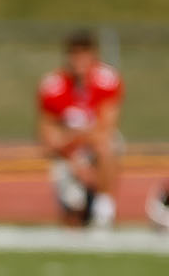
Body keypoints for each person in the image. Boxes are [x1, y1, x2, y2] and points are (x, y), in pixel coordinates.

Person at [37, 30, 122, 228]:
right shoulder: (53, 85)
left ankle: (104, 209)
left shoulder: (106, 80)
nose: (79, 60)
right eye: (75, 54)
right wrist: (74, 159)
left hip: (91, 151)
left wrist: (71, 139)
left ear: (94, 56)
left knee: (108, 145)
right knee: (73, 217)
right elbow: (47, 139)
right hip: (67, 155)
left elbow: (105, 129)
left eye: (84, 54)